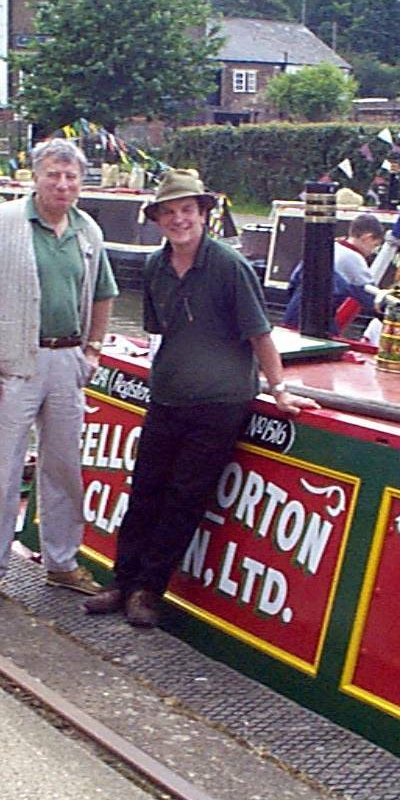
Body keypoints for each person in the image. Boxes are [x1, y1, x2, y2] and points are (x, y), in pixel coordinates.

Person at [84, 169, 315, 628]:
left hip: (219, 403)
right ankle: (122, 581)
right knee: (145, 489)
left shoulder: (230, 266)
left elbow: (260, 335)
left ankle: (149, 590)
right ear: (158, 221)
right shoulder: (155, 267)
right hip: (168, 395)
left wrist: (280, 388)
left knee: (184, 497)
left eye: (187, 210)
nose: (179, 220)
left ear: (204, 214)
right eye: (169, 213)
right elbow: (159, 332)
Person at [0, 138, 117, 605]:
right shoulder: (3, 223)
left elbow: (103, 294)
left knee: (65, 468)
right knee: (2, 470)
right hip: (14, 365)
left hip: (67, 361)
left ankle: (61, 562)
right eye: (54, 174)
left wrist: (92, 350)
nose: (63, 184)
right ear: (35, 177)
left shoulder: (88, 231)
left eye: (71, 177)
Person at [280, 213, 386, 335]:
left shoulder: (327, 247)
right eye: (375, 246)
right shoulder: (353, 259)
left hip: (293, 313)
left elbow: (294, 280)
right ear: (367, 237)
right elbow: (370, 299)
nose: (372, 252)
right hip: (318, 320)